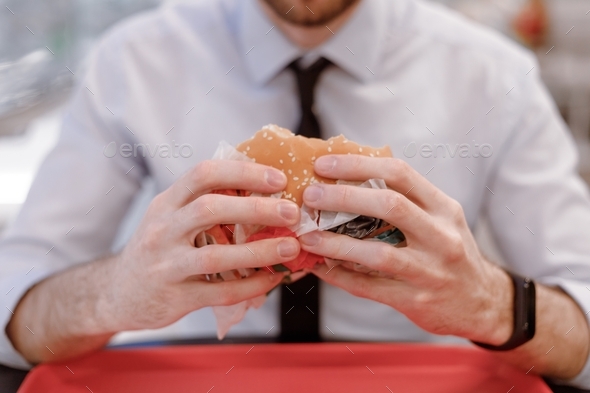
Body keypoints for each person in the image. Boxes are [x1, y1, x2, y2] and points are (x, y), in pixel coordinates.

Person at [1, 0, 590, 388]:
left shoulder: (494, 76)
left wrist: (493, 301)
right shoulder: (131, 62)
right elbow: (16, 297)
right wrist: (113, 294)